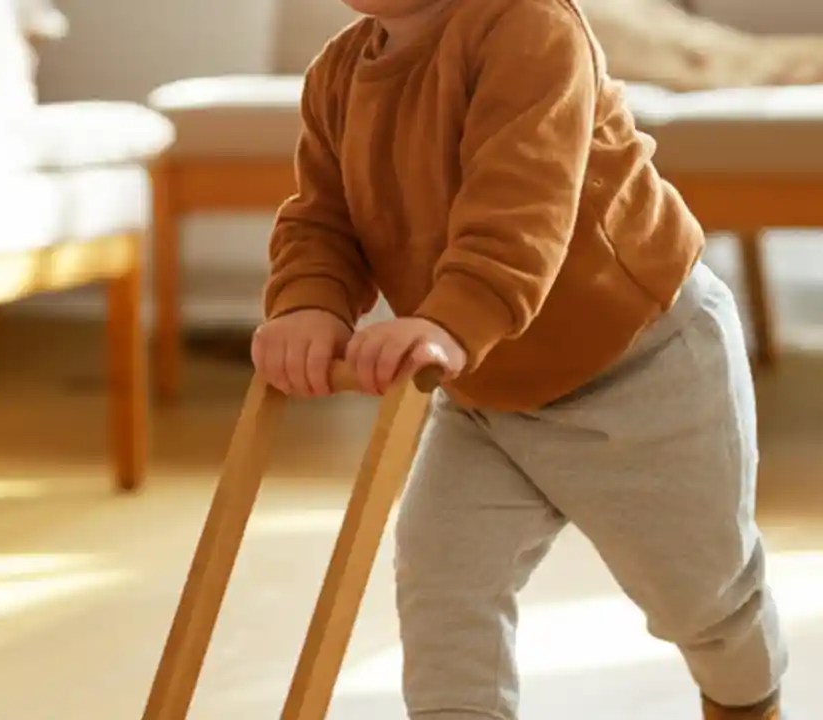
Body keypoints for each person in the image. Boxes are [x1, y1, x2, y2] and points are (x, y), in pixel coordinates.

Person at [249, 0, 788, 718]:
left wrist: (448, 320)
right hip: (485, 392)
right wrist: (309, 303)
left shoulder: (531, 26)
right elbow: (323, 216)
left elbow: (521, 205)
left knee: (703, 596)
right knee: (444, 578)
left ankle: (748, 701)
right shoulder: (337, 77)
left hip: (645, 367)